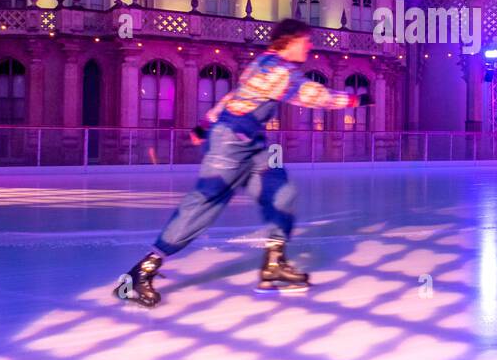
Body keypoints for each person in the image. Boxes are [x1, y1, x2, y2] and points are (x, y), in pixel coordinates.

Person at [114, 19, 367, 305]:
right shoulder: (277, 69)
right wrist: (357, 101)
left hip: (251, 143)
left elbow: (235, 97)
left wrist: (204, 124)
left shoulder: (264, 64)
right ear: (290, 40)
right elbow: (313, 95)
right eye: (306, 40)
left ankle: (273, 265)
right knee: (205, 204)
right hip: (232, 143)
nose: (309, 46)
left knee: (281, 193)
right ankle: (141, 273)